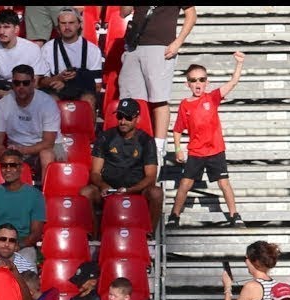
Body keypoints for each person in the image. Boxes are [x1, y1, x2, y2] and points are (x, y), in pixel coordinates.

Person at [168, 52, 247, 228]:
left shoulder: (212, 98)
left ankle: (235, 215)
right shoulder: (185, 104)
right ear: (187, 83)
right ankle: (174, 216)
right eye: (194, 80)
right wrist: (178, 149)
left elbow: (233, 82)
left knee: (224, 183)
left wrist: (239, 64)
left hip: (215, 150)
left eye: (202, 80)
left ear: (207, 81)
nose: (198, 83)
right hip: (196, 152)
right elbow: (178, 129)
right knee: (185, 184)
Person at [119, 5, 197, 159]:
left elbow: (191, 14)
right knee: (130, 100)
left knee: (159, 99)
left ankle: (158, 146)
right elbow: (124, 13)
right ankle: (132, 142)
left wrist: (178, 42)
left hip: (161, 46)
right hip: (134, 45)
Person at [80, 98, 163, 231]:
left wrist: (129, 190)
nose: (123, 121)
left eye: (128, 117)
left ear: (137, 118)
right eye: (120, 116)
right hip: (108, 190)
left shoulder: (146, 140)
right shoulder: (105, 137)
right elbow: (95, 172)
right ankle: (93, 236)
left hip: (137, 191)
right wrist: (103, 185)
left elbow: (150, 177)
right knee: (86, 192)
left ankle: (149, 235)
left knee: (156, 193)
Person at [0, 63, 59, 192]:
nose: (21, 87)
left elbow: (48, 143)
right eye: (16, 83)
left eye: (25, 83)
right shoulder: (3, 104)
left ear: (33, 82)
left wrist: (23, 150)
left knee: (46, 155)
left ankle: (45, 202)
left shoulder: (47, 103)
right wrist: (6, 153)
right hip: (15, 150)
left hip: (40, 150)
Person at [0, 9, 43, 148]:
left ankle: (31, 142)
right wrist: (5, 95)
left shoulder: (31, 49)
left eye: (6, 27)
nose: (2, 31)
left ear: (16, 29)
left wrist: (19, 94)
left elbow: (35, 81)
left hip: (23, 87)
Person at [0, 150, 45, 263]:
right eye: (4, 166)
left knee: (27, 265)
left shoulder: (36, 196)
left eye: (12, 165)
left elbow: (36, 232)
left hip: (22, 247)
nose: (8, 169)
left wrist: (15, 246)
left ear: (21, 168)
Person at [37, 7, 103, 107]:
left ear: (79, 24)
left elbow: (97, 86)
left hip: (82, 91)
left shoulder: (92, 50)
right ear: (58, 26)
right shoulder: (47, 48)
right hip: (56, 91)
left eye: (71, 22)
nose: (67, 27)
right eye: (63, 23)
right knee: (50, 100)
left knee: (88, 100)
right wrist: (57, 78)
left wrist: (68, 84)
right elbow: (40, 82)